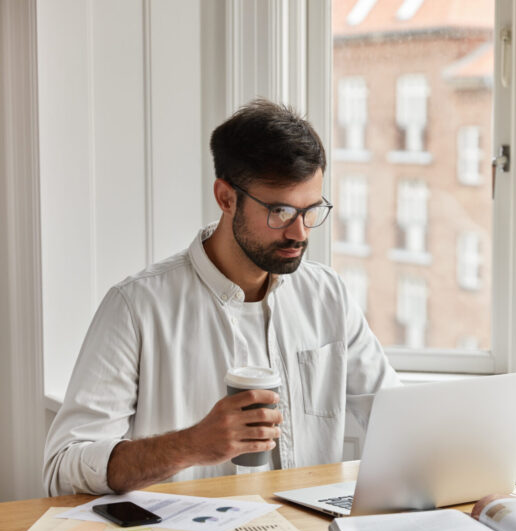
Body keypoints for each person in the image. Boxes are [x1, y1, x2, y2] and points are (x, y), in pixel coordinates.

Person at [43, 99, 399, 496]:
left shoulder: (328, 296)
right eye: (280, 211)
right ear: (226, 198)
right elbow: (63, 469)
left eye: (311, 210)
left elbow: (399, 420)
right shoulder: (136, 307)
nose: (300, 233)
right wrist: (192, 444)